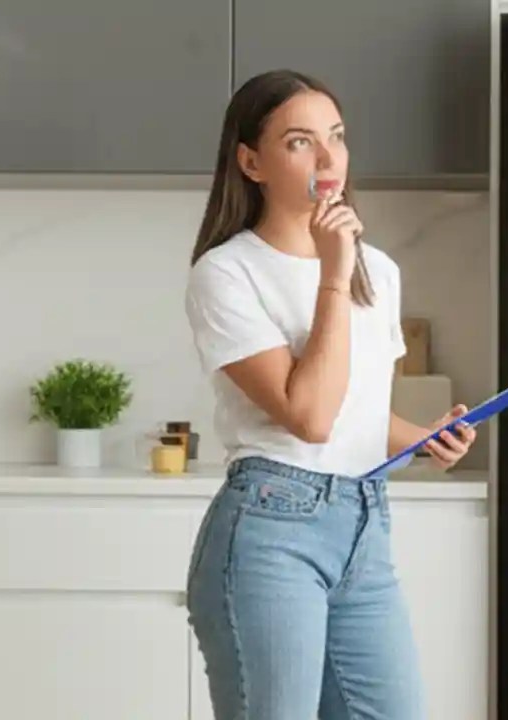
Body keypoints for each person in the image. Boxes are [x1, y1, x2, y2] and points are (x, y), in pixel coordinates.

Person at [182, 69, 476, 720]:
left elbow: (355, 412)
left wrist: (428, 440)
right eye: (299, 142)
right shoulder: (226, 274)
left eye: (336, 137)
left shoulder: (379, 270)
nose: (327, 158)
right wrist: (333, 275)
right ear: (250, 161)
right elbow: (310, 417)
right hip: (271, 530)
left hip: (364, 527)